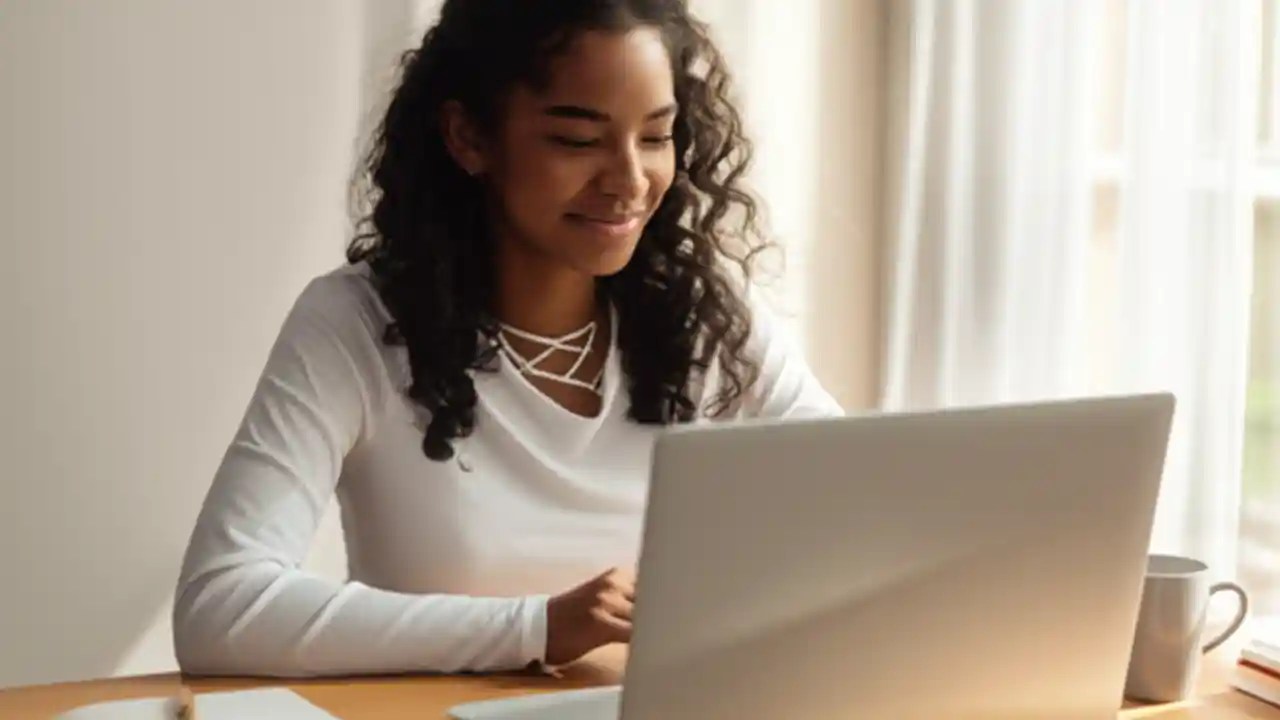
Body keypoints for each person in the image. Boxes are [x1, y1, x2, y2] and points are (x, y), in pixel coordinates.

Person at [173, 0, 841, 679]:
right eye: (578, 141)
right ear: (468, 137)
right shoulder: (354, 324)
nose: (630, 182)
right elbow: (221, 609)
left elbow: (860, 506)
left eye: (656, 137)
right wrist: (538, 626)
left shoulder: (704, 313)